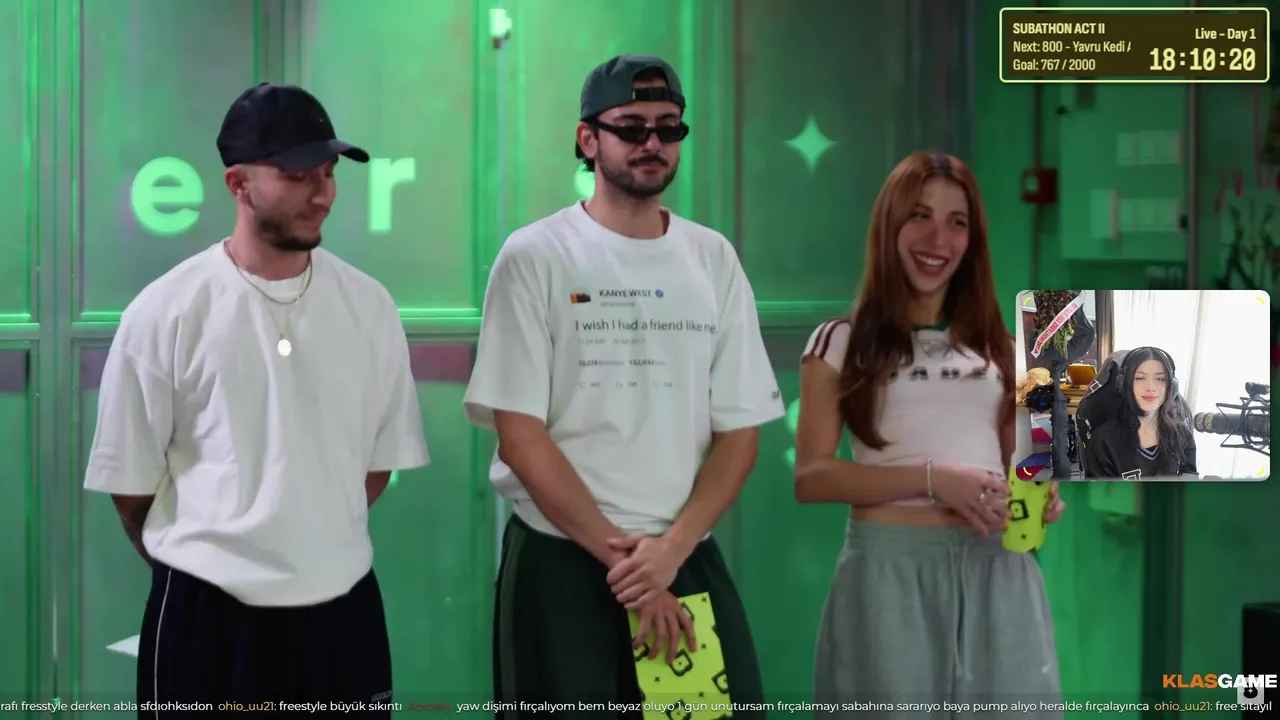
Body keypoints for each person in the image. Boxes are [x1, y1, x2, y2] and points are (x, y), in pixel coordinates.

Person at [83, 83, 429, 718]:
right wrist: (222, 552)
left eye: (328, 173)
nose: (322, 193)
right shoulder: (166, 311)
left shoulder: (370, 306)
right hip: (208, 618)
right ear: (237, 184)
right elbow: (130, 488)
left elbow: (376, 465)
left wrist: (305, 537)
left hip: (343, 609)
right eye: (298, 175)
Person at [463, 55, 782, 717]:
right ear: (588, 139)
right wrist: (631, 568)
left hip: (681, 558)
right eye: (632, 127)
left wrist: (670, 553)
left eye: (668, 128)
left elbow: (740, 433)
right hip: (562, 564)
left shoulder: (712, 258)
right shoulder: (536, 255)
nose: (652, 143)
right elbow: (520, 437)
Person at [794, 152, 1066, 718]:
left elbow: (1026, 470)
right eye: (919, 215)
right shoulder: (840, 341)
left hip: (999, 572)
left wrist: (1042, 498)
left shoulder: (1005, 350)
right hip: (888, 573)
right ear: (889, 225)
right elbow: (812, 478)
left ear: (973, 240)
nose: (937, 239)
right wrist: (933, 480)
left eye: (956, 222)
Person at [1080, 346, 1196, 480]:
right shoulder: (1104, 442)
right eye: (1140, 378)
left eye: (1160, 379)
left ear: (1171, 387)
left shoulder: (1183, 435)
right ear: (1125, 384)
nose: (1151, 388)